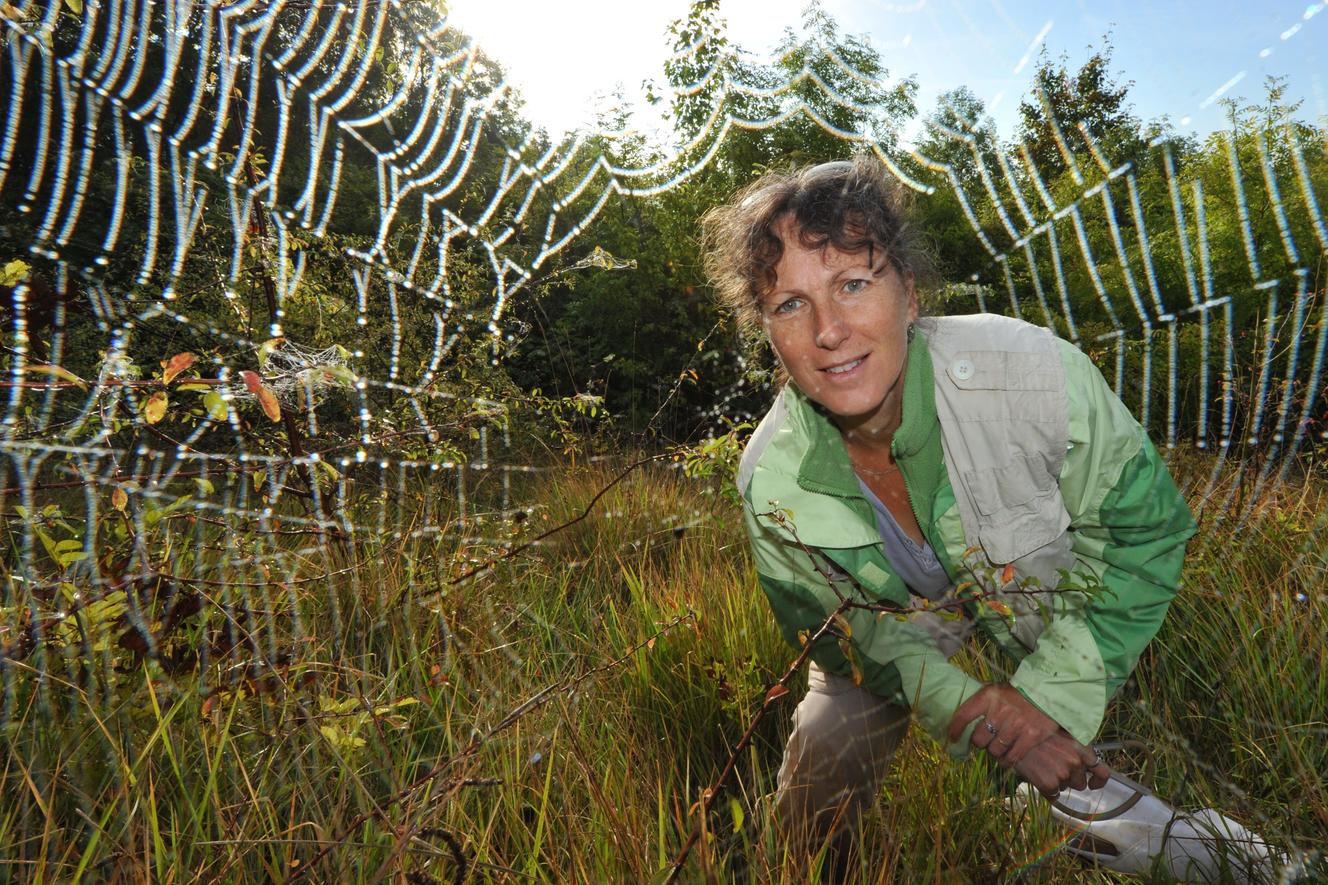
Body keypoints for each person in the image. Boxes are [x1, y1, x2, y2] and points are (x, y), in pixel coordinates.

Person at [700, 155, 1201, 871]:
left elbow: (1145, 529)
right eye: (790, 304)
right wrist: (981, 713)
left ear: (909, 294)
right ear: (768, 332)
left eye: (853, 283)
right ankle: (810, 866)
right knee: (828, 729)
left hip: (1031, 582)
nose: (829, 331)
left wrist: (1044, 702)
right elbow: (844, 636)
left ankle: (1229, 859)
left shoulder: (1031, 374)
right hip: (897, 616)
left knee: (1082, 759)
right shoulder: (772, 481)